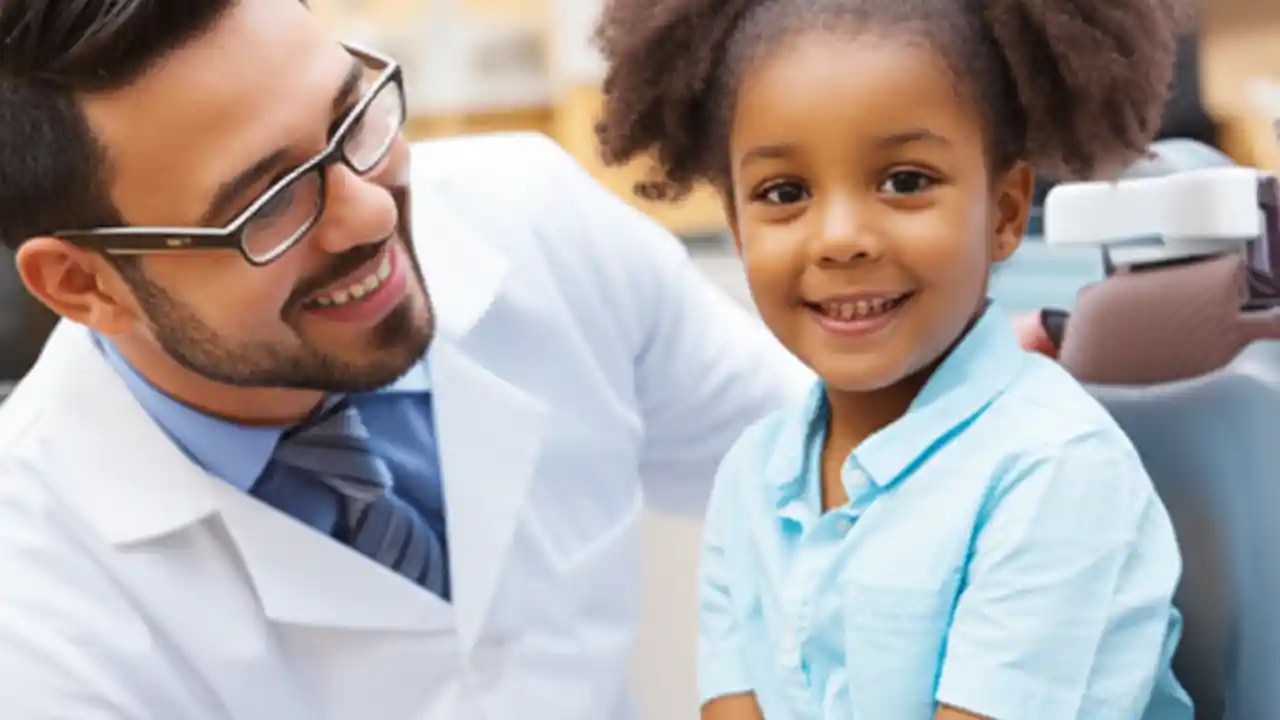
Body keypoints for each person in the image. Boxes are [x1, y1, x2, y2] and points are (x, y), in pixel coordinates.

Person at [0, 1, 812, 718]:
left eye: (349, 118)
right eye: (266, 202)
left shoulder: (533, 219)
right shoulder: (34, 617)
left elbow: (840, 470)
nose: (368, 210)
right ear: (82, 284)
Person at [594, 0, 1194, 718]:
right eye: (784, 194)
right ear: (737, 228)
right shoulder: (752, 477)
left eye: (904, 181)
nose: (841, 238)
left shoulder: (1054, 471)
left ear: (1003, 213)